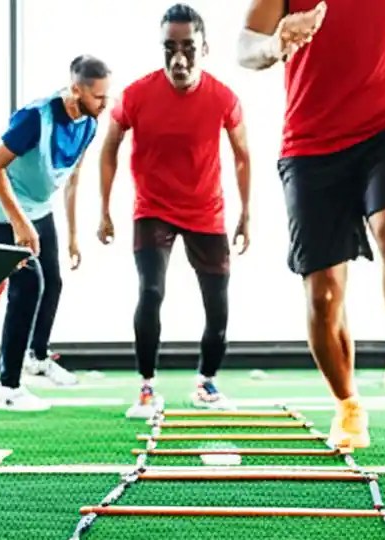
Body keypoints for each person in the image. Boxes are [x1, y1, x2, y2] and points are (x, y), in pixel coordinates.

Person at [237, 0, 385, 450]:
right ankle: (347, 405)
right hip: (309, 144)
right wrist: (274, 43)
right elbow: (244, 45)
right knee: (323, 295)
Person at [99, 3, 252, 418]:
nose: (179, 57)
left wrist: (246, 213)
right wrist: (104, 209)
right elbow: (109, 148)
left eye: (188, 47)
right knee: (151, 292)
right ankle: (147, 387)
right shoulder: (136, 94)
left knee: (217, 305)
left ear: (205, 47)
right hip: (153, 209)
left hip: (206, 211)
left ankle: (207, 383)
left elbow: (242, 155)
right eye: (170, 47)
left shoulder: (223, 97)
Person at [0, 56, 109, 412]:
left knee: (53, 280)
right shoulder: (35, 118)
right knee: (28, 284)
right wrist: (18, 222)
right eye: (98, 96)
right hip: (1, 211)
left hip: (39, 209)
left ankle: (36, 357)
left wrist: (72, 236)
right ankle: (7, 386)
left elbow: (71, 179)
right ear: (77, 90)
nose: (105, 103)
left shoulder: (89, 123)